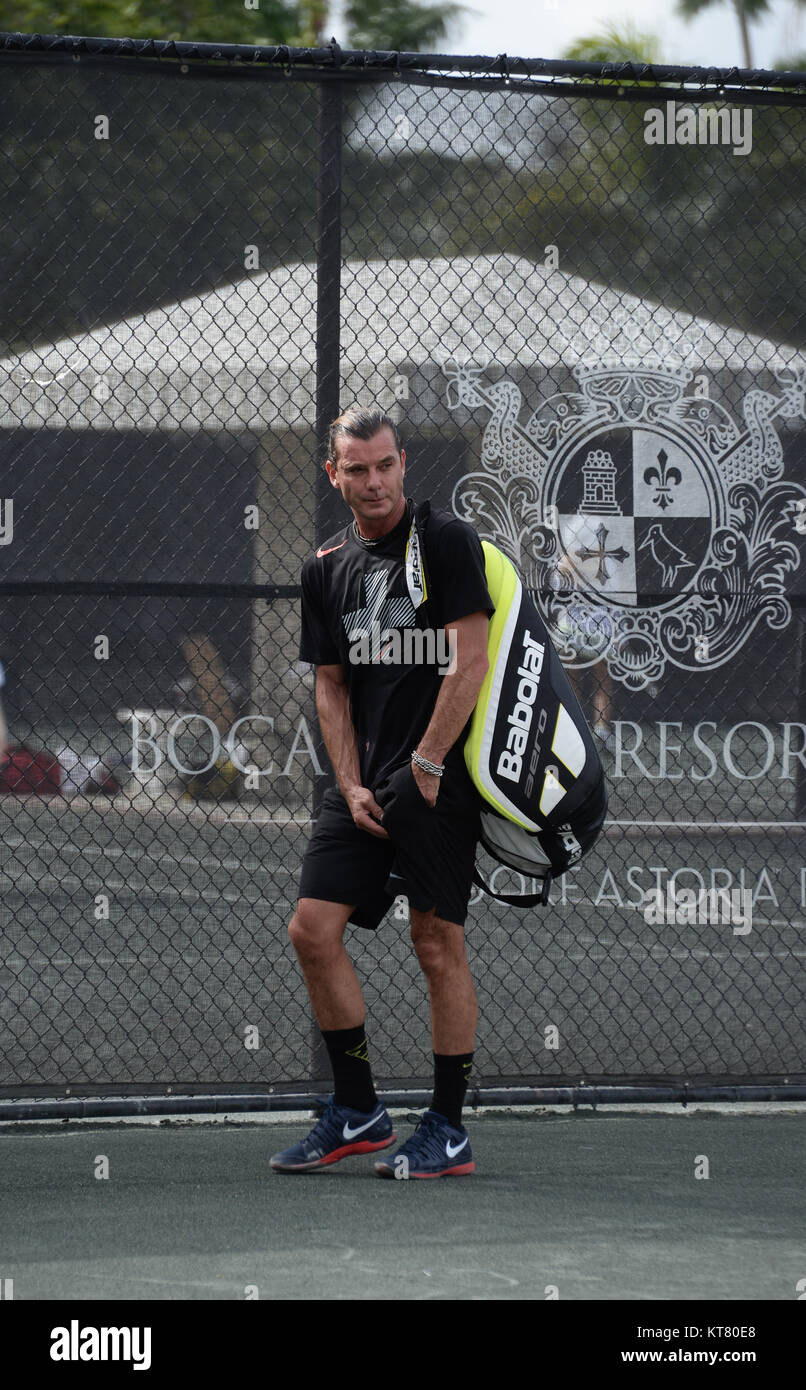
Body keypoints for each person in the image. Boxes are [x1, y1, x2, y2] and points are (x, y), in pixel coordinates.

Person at [270, 406, 492, 1179]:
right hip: (362, 783)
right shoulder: (324, 567)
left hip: (439, 779)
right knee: (311, 929)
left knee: (435, 943)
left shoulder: (449, 542)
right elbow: (331, 686)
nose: (373, 481)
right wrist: (349, 780)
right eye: (356, 469)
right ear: (335, 474)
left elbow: (470, 661)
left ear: (404, 464)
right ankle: (358, 1109)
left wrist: (427, 764)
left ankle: (449, 1128)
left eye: (384, 465)